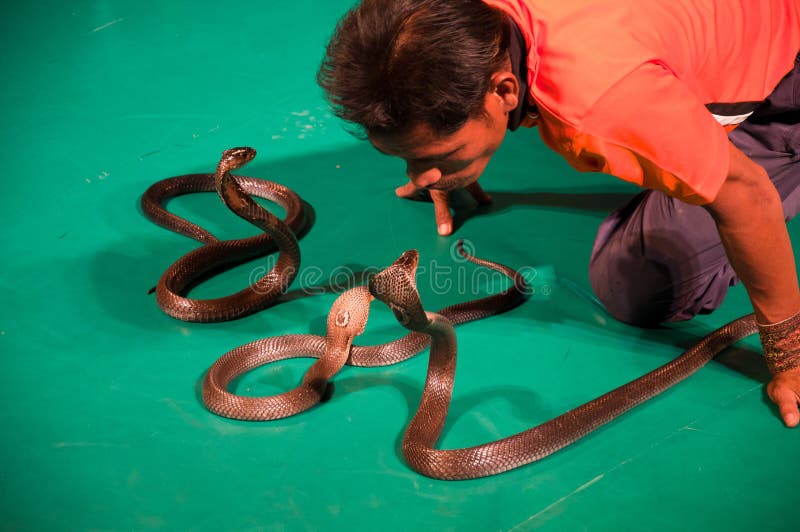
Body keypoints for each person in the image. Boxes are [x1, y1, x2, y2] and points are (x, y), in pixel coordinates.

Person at [316, 0, 800, 427]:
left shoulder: (602, 104)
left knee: (637, 287)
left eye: (439, 153)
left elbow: (748, 195)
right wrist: (450, 160)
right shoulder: (450, 18)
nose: (422, 176)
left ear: (505, 92)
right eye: (409, 159)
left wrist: (789, 354)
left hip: (787, 64)